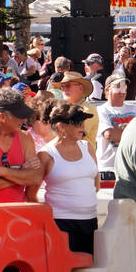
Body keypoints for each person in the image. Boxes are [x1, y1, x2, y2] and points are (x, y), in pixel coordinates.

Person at [33, 102, 99, 256]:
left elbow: (96, 184)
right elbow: (31, 193)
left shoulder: (87, 147)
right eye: (77, 122)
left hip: (90, 221)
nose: (82, 126)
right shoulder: (46, 154)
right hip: (60, 223)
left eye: (83, 121)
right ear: (61, 126)